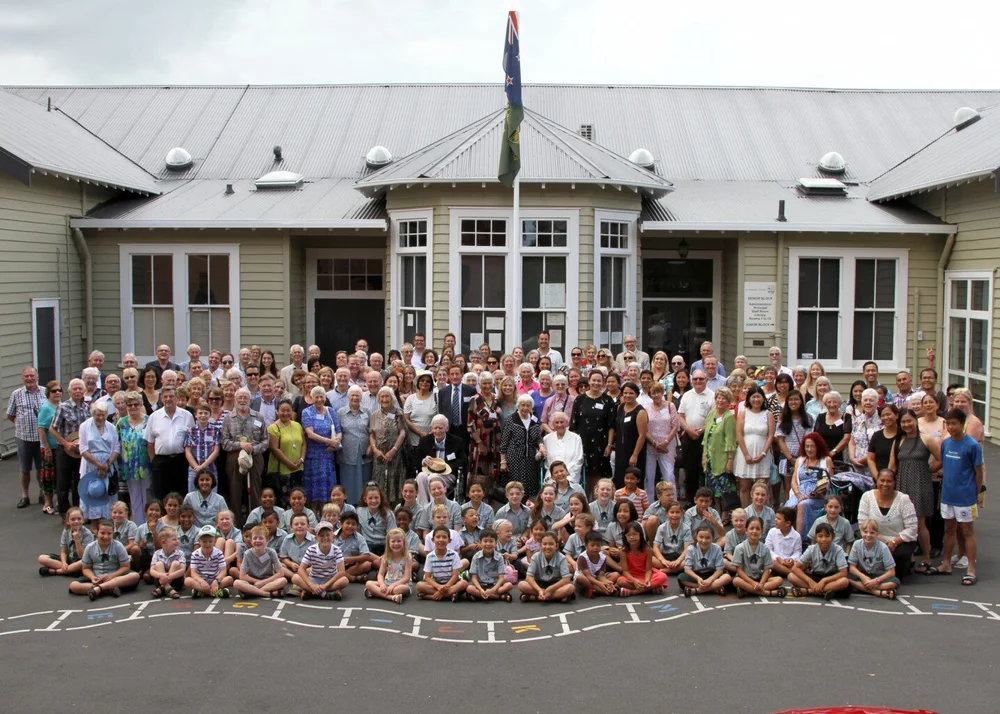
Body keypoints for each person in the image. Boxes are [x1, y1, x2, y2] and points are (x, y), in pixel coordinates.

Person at [936, 408, 984, 586]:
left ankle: (971, 568)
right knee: (949, 530)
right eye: (948, 423)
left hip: (965, 496)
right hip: (948, 495)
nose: (951, 427)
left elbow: (978, 472)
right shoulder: (946, 443)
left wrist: (975, 493)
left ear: (962, 424)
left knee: (967, 531)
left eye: (954, 423)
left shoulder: (972, 445)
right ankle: (946, 563)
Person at [890, 409, 940, 574]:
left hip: (920, 485)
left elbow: (941, 459)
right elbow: (892, 465)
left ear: (915, 420)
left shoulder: (926, 439)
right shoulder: (899, 441)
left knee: (919, 524)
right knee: (903, 523)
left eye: (909, 421)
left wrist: (930, 470)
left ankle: (926, 556)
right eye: (903, 422)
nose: (906, 425)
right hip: (902, 485)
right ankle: (908, 556)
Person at [221, 388, 268, 517]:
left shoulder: (258, 417)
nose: (242, 400)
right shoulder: (228, 418)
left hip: (255, 456)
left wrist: (254, 448)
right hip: (235, 456)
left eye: (245, 398)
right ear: (235, 400)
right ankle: (236, 522)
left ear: (250, 400)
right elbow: (224, 442)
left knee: (255, 489)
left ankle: (255, 519)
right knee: (235, 489)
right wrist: (240, 445)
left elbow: (265, 441)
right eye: (239, 398)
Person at [143, 385, 194, 499]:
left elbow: (192, 440)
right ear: (161, 399)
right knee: (161, 495)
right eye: (165, 397)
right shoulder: (154, 417)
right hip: (161, 462)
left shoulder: (187, 416)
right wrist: (154, 461)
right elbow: (150, 443)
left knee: (181, 494)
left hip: (181, 461)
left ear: (176, 398)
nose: (168, 399)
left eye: (171, 396)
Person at [68, 519, 139, 600]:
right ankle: (108, 589)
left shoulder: (118, 546)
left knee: (135, 576)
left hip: (115, 577)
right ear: (96, 532)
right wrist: (92, 577)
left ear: (113, 534)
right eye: (102, 533)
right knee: (73, 585)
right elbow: (85, 568)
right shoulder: (90, 547)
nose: (106, 536)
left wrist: (112, 576)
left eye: (109, 533)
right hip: (96, 577)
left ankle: (99, 589)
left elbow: (126, 566)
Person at [570, 370, 616, 494]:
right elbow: (574, 423)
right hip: (582, 442)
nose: (596, 383)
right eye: (593, 380)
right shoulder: (579, 399)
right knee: (584, 473)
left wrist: (609, 445)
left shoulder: (608, 400)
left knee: (599, 474)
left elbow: (611, 425)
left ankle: (599, 501)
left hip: (602, 443)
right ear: (589, 381)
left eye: (599, 381)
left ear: (603, 383)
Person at [49, 378, 90, 516]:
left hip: (81, 452)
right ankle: (64, 513)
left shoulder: (87, 408)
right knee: (63, 483)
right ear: (69, 391)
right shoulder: (63, 407)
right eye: (75, 389)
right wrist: (65, 443)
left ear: (84, 391)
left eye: (80, 388)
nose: (77, 391)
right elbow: (52, 429)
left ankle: (78, 512)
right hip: (65, 450)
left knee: (79, 482)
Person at [7, 366, 44, 509]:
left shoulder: (45, 392)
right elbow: (10, 415)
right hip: (23, 437)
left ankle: (42, 493)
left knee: (42, 468)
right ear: (23, 378)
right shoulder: (16, 394)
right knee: (24, 468)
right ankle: (25, 496)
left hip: (41, 438)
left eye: (32, 376)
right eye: (26, 376)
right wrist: (21, 423)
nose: (29, 378)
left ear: (37, 377)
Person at [77, 402, 120, 526]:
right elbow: (83, 449)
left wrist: (107, 464)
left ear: (106, 414)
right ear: (93, 414)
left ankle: (108, 526)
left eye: (103, 415)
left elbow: (116, 448)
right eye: (97, 415)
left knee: (108, 494)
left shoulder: (111, 427)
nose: (100, 418)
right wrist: (98, 465)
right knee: (93, 493)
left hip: (108, 465)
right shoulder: (85, 426)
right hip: (90, 465)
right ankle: (94, 527)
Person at [302, 386, 341, 514]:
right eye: (316, 397)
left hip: (328, 456)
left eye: (321, 396)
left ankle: (325, 513)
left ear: (325, 397)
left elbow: (339, 431)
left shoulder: (331, 411)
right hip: (313, 456)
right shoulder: (307, 412)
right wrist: (330, 441)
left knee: (327, 487)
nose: (319, 399)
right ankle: (313, 513)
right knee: (313, 488)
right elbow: (310, 434)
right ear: (312, 398)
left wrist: (336, 442)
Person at [788, 522, 850, 599]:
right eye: (820, 536)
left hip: (831, 577)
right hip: (815, 576)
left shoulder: (838, 550)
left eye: (827, 536)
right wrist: (810, 582)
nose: (823, 539)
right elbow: (795, 568)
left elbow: (843, 573)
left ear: (833, 537)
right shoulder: (811, 549)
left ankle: (809, 591)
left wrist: (824, 580)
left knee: (844, 581)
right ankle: (823, 591)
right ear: (816, 538)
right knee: (791, 576)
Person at [678, 369, 714, 502]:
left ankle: (706, 500)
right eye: (695, 379)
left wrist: (701, 430)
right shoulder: (687, 395)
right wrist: (688, 429)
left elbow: (714, 418)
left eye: (701, 379)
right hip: (688, 437)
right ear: (691, 381)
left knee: (704, 471)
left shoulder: (712, 396)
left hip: (705, 438)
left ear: (706, 380)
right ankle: (690, 500)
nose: (698, 381)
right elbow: (680, 416)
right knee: (690, 470)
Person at [734, 385, 774, 506]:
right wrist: (746, 454)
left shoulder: (768, 414)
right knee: (744, 487)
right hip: (745, 453)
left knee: (762, 487)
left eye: (759, 397)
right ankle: (745, 515)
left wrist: (762, 454)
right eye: (753, 397)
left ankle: (763, 515)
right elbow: (739, 434)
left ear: (763, 398)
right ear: (749, 399)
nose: (756, 400)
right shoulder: (743, 413)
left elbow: (771, 435)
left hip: (763, 453)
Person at [787, 432, 834, 534]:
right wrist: (798, 494)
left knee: (803, 505)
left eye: (812, 446)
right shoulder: (800, 460)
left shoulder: (826, 460)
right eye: (807, 446)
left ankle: (799, 539)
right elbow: (794, 481)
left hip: (818, 495)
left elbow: (828, 482)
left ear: (818, 447)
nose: (809, 449)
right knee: (788, 508)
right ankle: (786, 537)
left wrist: (816, 493)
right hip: (800, 492)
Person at [499, 394, 545, 499]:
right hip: (515, 458)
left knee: (529, 486)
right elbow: (504, 441)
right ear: (518, 406)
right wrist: (503, 461)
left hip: (531, 459)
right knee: (516, 486)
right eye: (522, 405)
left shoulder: (534, 420)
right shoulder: (511, 419)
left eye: (528, 405)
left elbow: (538, 437)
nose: (525, 408)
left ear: (531, 407)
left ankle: (528, 508)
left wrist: (541, 446)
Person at [368, 386, 407, 504]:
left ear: (392, 398)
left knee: (394, 480)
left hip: (395, 455)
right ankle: (380, 506)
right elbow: (372, 434)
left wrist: (393, 450)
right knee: (379, 481)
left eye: (387, 396)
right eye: (382, 397)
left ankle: (395, 508)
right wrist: (375, 449)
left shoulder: (398, 413)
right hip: (379, 455)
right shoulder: (374, 415)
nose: (384, 399)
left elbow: (403, 433)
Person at [702, 387, 737, 513]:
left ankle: (726, 513)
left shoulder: (729, 417)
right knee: (713, 488)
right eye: (718, 397)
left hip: (722, 458)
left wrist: (730, 460)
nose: (720, 400)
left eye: (724, 398)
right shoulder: (711, 414)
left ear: (728, 402)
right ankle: (716, 511)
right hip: (710, 457)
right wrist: (704, 456)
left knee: (724, 488)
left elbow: (730, 441)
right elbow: (706, 437)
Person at [293, 520, 349, 600]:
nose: (325, 538)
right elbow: (301, 569)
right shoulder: (311, 549)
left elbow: (341, 571)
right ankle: (324, 594)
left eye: (328, 535)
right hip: (314, 578)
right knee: (295, 578)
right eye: (321, 536)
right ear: (316, 538)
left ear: (333, 537)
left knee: (344, 580)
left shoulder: (337, 550)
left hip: (330, 579)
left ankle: (311, 592)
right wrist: (311, 585)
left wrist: (325, 586)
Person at [266, 398, 305, 507]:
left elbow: (303, 444)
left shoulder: (297, 425)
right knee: (284, 500)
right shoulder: (274, 428)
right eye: (282, 410)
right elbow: (274, 449)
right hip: (282, 470)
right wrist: (290, 464)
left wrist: (301, 459)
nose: (285, 413)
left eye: (288, 410)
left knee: (297, 498)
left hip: (298, 468)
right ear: (277, 411)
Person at [337, 386, 371, 505]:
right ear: (348, 397)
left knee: (365, 479)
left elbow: (371, 431)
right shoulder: (341, 412)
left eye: (358, 395)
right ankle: (350, 504)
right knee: (349, 480)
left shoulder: (367, 411)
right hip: (347, 451)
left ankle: (364, 503)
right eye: (353, 395)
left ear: (361, 397)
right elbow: (337, 431)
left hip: (364, 452)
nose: (355, 397)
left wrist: (371, 446)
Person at [518, 529, 574, 603]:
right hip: (539, 583)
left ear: (556, 546)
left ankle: (534, 597)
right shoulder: (536, 557)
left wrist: (551, 589)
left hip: (555, 584)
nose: (547, 547)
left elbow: (566, 579)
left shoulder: (561, 558)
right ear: (540, 546)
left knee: (570, 588)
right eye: (544, 544)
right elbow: (529, 577)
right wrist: (540, 590)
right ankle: (554, 597)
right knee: (521, 585)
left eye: (551, 544)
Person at [848, 519, 899, 598]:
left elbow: (891, 572)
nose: (868, 535)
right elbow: (852, 568)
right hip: (865, 575)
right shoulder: (856, 544)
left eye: (872, 533)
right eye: (865, 532)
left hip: (879, 577)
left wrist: (876, 581)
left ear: (877, 534)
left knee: (895, 582)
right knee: (847, 577)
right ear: (861, 532)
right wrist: (863, 577)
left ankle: (862, 588)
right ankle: (878, 592)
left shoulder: (883, 548)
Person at [234, 524, 288, 599]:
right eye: (255, 538)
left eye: (261, 538)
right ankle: (267, 594)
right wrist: (257, 582)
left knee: (283, 580)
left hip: (268, 581)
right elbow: (242, 576)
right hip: (253, 582)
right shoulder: (248, 553)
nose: (257, 541)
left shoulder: (271, 552)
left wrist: (263, 582)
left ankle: (251, 593)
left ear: (267, 540)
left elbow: (280, 573)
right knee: (237, 583)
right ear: (251, 540)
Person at [38, 506, 92, 577]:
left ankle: (57, 571)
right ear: (68, 521)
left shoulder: (87, 534)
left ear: (83, 520)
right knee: (41, 558)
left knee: (83, 562)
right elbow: (64, 551)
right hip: (70, 559)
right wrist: (64, 563)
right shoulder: (66, 531)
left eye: (79, 519)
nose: (76, 521)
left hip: (80, 560)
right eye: (73, 519)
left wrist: (77, 540)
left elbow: (83, 557)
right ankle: (70, 570)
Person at [418, 526, 469, 602]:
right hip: (437, 584)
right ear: (433, 540)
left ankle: (432, 596)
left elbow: (455, 575)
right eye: (438, 537)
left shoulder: (454, 555)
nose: (441, 540)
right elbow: (427, 577)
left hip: (452, 583)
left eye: (444, 537)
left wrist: (446, 587)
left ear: (449, 540)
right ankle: (449, 595)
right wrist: (438, 587)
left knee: (464, 583)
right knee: (419, 585)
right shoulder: (429, 556)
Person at [678, 524, 731, 597]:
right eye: (701, 537)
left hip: (712, 574)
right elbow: (687, 569)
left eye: (707, 538)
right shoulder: (691, 549)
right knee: (681, 578)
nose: (704, 540)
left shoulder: (717, 548)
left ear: (713, 538)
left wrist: (710, 580)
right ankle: (714, 589)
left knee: (727, 577)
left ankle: (696, 590)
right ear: (696, 537)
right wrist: (698, 578)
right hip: (697, 575)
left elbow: (719, 570)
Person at [364, 527, 413, 604]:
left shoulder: (407, 557)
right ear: (388, 543)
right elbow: (380, 574)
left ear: (403, 542)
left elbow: (407, 578)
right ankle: (391, 597)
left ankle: (376, 593)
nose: (396, 544)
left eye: (399, 541)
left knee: (398, 590)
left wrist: (393, 585)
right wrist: (382, 584)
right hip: (387, 582)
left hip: (402, 584)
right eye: (393, 541)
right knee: (368, 583)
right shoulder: (386, 557)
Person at [35, 380, 63, 515]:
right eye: (54, 391)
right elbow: (41, 429)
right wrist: (46, 448)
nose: (57, 393)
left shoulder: (62, 406)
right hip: (49, 447)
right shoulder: (45, 408)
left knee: (59, 476)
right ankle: (47, 503)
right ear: (48, 393)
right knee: (48, 477)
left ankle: (58, 502)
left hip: (60, 446)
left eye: (59, 390)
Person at [613, 382, 647, 488]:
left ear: (636, 394)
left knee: (633, 479)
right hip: (620, 449)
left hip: (633, 450)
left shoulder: (640, 412)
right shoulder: (620, 407)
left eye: (631, 393)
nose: (628, 395)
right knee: (620, 478)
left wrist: (635, 455)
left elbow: (642, 435)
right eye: (625, 393)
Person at [542, 412, 584, 485]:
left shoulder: (576, 438)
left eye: (562, 422)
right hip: (552, 475)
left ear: (567, 423)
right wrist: (556, 473)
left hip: (571, 474)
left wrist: (564, 472)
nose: (559, 425)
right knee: (550, 489)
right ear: (552, 424)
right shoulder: (546, 439)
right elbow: (545, 459)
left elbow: (579, 459)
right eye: (556, 422)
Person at [813, 391, 851, 468]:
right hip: (822, 457)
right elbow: (815, 436)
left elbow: (846, 438)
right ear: (825, 404)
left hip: (840, 457)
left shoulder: (846, 417)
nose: (832, 405)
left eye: (835, 402)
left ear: (840, 403)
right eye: (829, 402)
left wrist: (833, 452)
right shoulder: (820, 417)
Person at [149, 527, 187, 599]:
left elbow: (182, 570)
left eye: (177, 539)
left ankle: (162, 588)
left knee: (176, 563)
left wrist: (168, 577)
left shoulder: (180, 553)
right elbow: (152, 571)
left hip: (176, 581)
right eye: (174, 539)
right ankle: (168, 588)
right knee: (159, 564)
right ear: (163, 542)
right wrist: (162, 575)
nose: (177, 541)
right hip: (160, 581)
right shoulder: (157, 553)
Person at [764, 506, 802, 576]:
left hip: (789, 563)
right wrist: (778, 558)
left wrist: (792, 559)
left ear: (787, 523)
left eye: (778, 519)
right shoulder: (772, 532)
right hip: (776, 562)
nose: (775, 520)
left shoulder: (796, 536)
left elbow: (798, 552)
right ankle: (793, 574)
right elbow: (767, 549)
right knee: (772, 562)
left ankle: (788, 572)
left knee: (804, 562)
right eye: (776, 517)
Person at [866, 404, 900, 479]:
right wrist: (878, 477)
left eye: (888, 414)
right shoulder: (876, 436)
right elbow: (870, 459)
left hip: (900, 478)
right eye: (883, 415)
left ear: (896, 415)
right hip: (880, 480)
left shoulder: (903, 435)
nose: (886, 417)